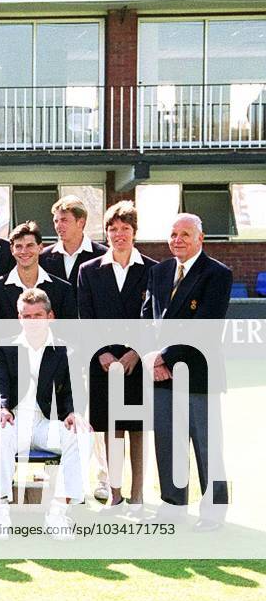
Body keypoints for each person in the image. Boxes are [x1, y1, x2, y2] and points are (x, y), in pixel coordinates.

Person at [141, 213, 231, 530]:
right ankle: (172, 505)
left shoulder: (217, 274)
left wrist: (163, 357)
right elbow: (146, 318)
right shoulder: (160, 271)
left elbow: (204, 327)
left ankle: (213, 512)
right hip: (160, 376)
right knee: (168, 441)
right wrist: (151, 358)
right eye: (174, 234)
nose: (178, 240)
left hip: (198, 375)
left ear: (200, 239)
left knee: (206, 446)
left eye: (185, 234)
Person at [0, 289, 92, 540]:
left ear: (50, 316)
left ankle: (57, 512)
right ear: (19, 317)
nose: (32, 321)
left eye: (37, 315)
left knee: (82, 436)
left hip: (47, 422)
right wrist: (1, 409)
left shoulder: (68, 351)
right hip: (14, 419)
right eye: (26, 316)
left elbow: (75, 388)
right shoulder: (3, 348)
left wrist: (74, 413)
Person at [77, 201, 155, 509]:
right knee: (111, 428)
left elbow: (154, 319)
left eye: (125, 228)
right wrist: (103, 354)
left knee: (136, 427)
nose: (118, 234)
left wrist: (136, 353)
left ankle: (137, 494)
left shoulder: (152, 270)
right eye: (113, 229)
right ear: (106, 232)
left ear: (135, 232)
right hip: (103, 362)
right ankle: (115, 491)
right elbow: (87, 317)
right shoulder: (89, 271)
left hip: (138, 362)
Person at [0, 221, 77, 319]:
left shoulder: (63, 289)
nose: (24, 251)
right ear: (12, 250)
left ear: (40, 248)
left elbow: (69, 331)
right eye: (18, 246)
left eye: (30, 245)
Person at [39, 195, 107, 297]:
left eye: (64, 220)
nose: (58, 226)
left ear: (81, 222)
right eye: (56, 221)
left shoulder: (103, 256)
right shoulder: (43, 257)